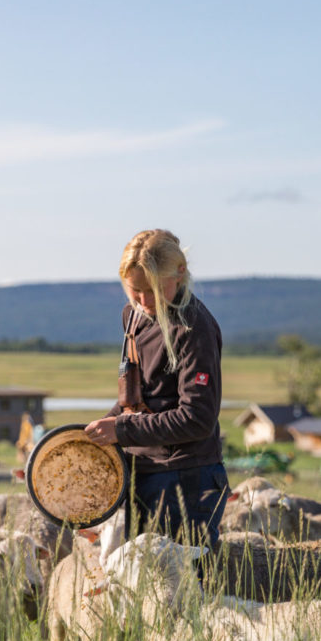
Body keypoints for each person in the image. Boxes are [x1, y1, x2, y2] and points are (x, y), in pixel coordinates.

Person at [84, 228, 228, 549]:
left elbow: (197, 418)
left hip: (187, 483)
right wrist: (93, 434)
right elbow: (136, 398)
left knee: (186, 592)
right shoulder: (133, 317)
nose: (144, 300)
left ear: (180, 273)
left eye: (152, 288)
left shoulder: (194, 328)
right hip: (141, 477)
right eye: (135, 290)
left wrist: (121, 429)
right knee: (142, 591)